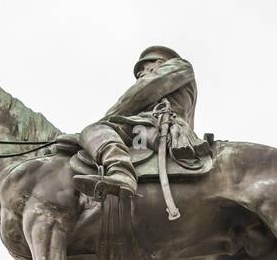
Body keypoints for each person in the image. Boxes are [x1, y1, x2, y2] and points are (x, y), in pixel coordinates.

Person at [72, 46, 208, 201]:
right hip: (149, 128)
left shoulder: (180, 66)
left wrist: (98, 127)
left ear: (159, 62)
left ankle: (121, 172)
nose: (140, 75)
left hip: (158, 128)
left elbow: (136, 95)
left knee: (94, 130)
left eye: (144, 68)